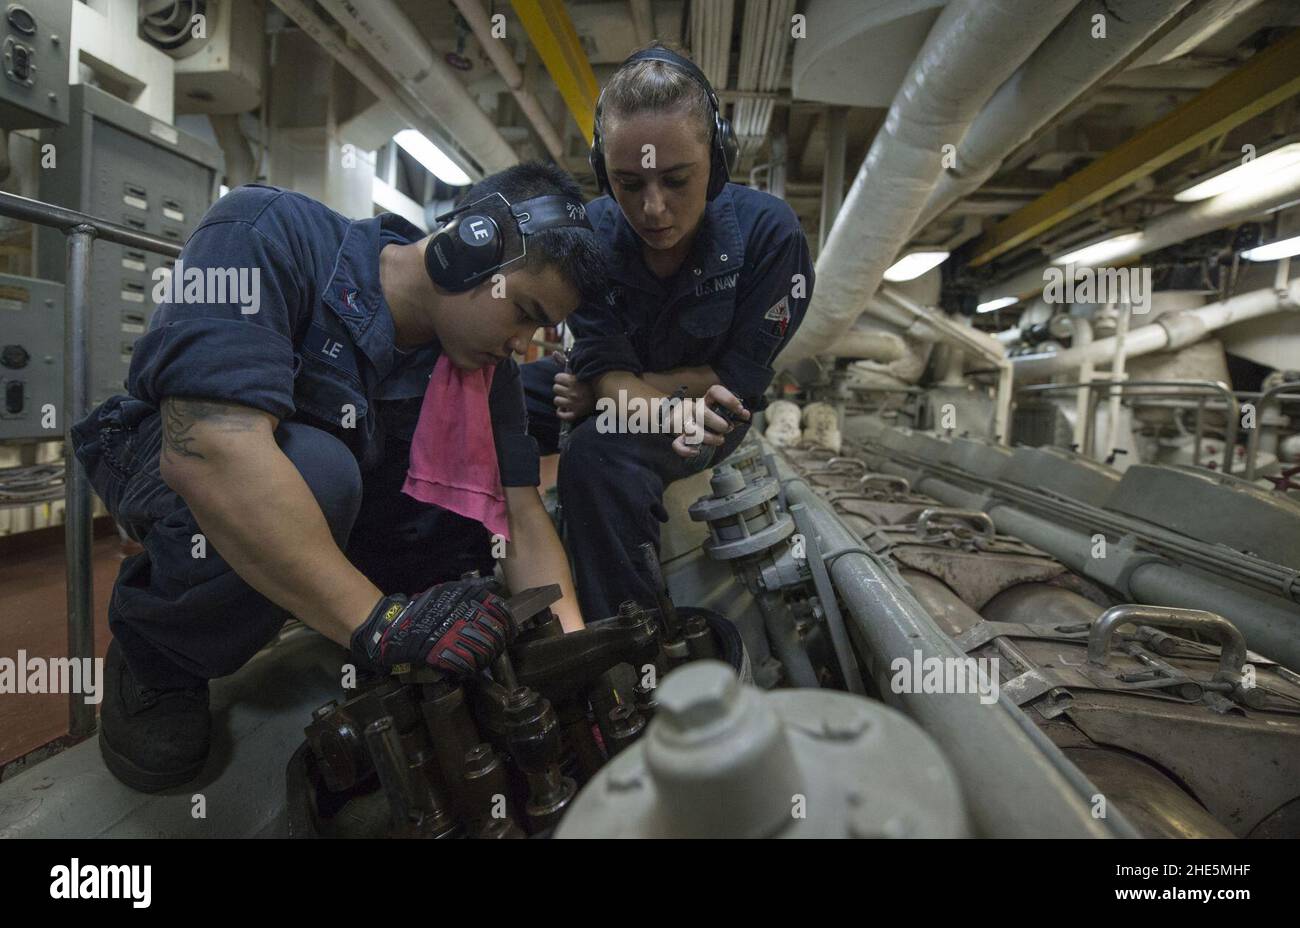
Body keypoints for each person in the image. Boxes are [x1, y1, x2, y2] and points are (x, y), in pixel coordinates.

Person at [71, 162, 605, 792]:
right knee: (321, 473)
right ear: (469, 248)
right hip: (175, 458)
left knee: (458, 520)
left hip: (327, 491)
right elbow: (211, 448)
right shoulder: (270, 232)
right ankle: (159, 654)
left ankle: (349, 609)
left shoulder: (484, 373)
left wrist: (570, 656)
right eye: (522, 312)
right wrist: (381, 625)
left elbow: (519, 513)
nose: (523, 343)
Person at [521, 44, 815, 621]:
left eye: (677, 181)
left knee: (597, 455)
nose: (654, 208)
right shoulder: (593, 237)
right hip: (623, 390)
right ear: (604, 173)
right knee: (494, 393)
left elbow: (730, 381)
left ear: (718, 163)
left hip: (710, 411)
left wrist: (613, 393)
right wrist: (608, 386)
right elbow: (601, 368)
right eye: (628, 185)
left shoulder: (770, 236)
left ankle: (629, 642)